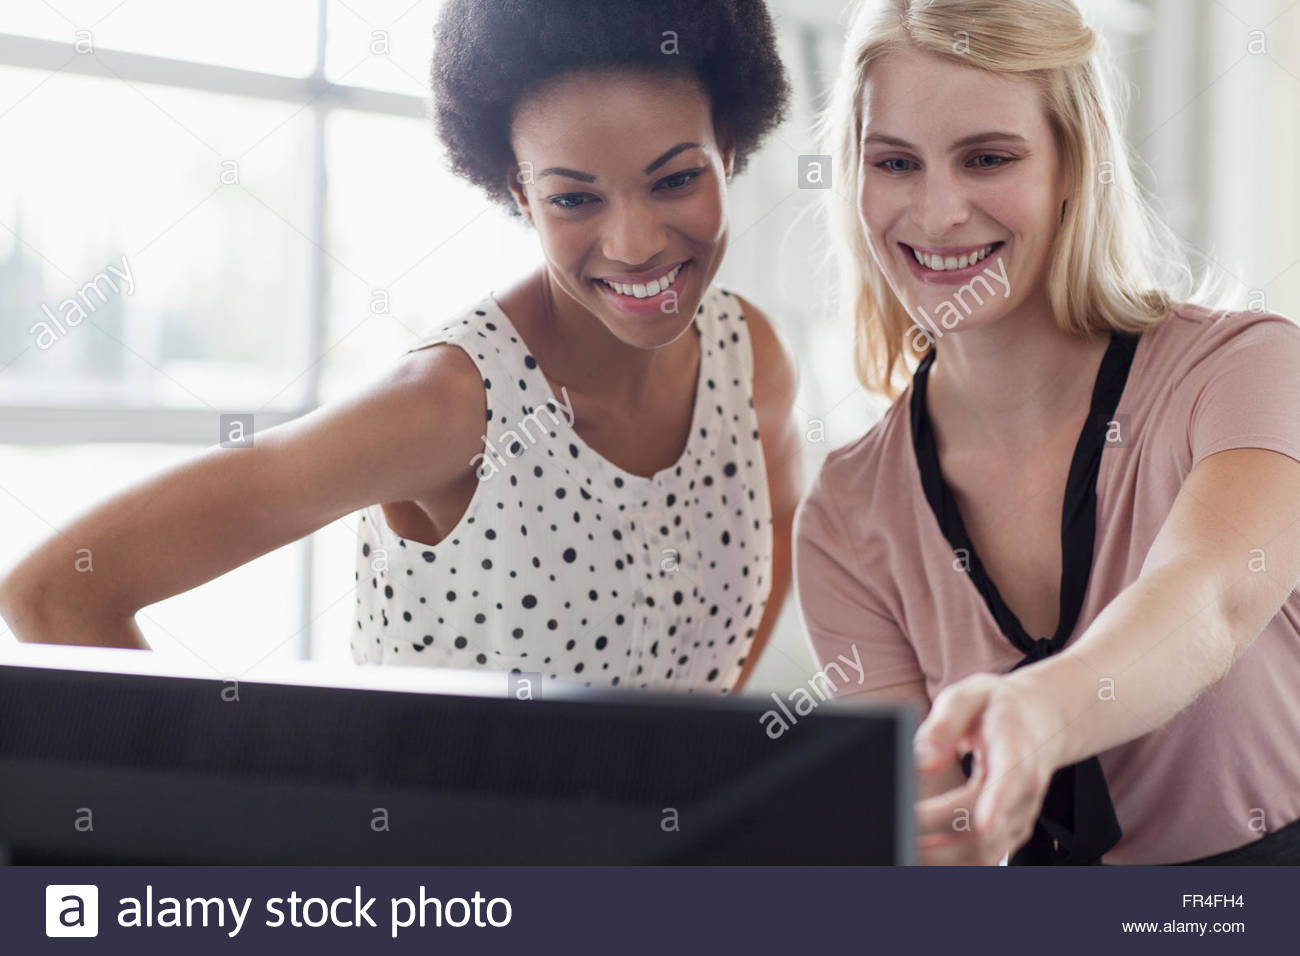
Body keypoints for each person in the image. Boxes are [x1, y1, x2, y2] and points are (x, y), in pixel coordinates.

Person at [0, 0, 803, 696]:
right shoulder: (449, 407)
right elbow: (55, 595)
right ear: (520, 195)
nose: (634, 244)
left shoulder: (750, 357)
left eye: (674, 180)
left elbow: (775, 534)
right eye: (573, 197)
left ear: (727, 149)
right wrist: (214, 836)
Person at [796, 0, 1300, 864]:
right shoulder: (848, 513)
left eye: (987, 158)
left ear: (1079, 156)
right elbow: (927, 843)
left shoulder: (1249, 370)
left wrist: (1040, 715)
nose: (939, 211)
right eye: (894, 162)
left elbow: (1213, 600)